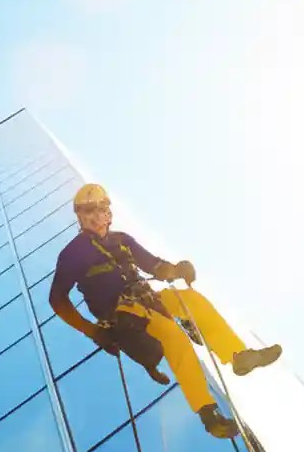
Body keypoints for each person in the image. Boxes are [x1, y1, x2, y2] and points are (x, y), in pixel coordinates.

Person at [48, 183, 283, 438]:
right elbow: (57, 299)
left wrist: (177, 269)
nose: (94, 216)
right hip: (124, 315)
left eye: (100, 209)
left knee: (193, 301)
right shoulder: (73, 253)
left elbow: (153, 265)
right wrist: (92, 331)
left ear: (108, 212)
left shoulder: (122, 240)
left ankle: (237, 356)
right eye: (87, 211)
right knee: (174, 338)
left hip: (149, 300)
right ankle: (208, 413)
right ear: (79, 216)